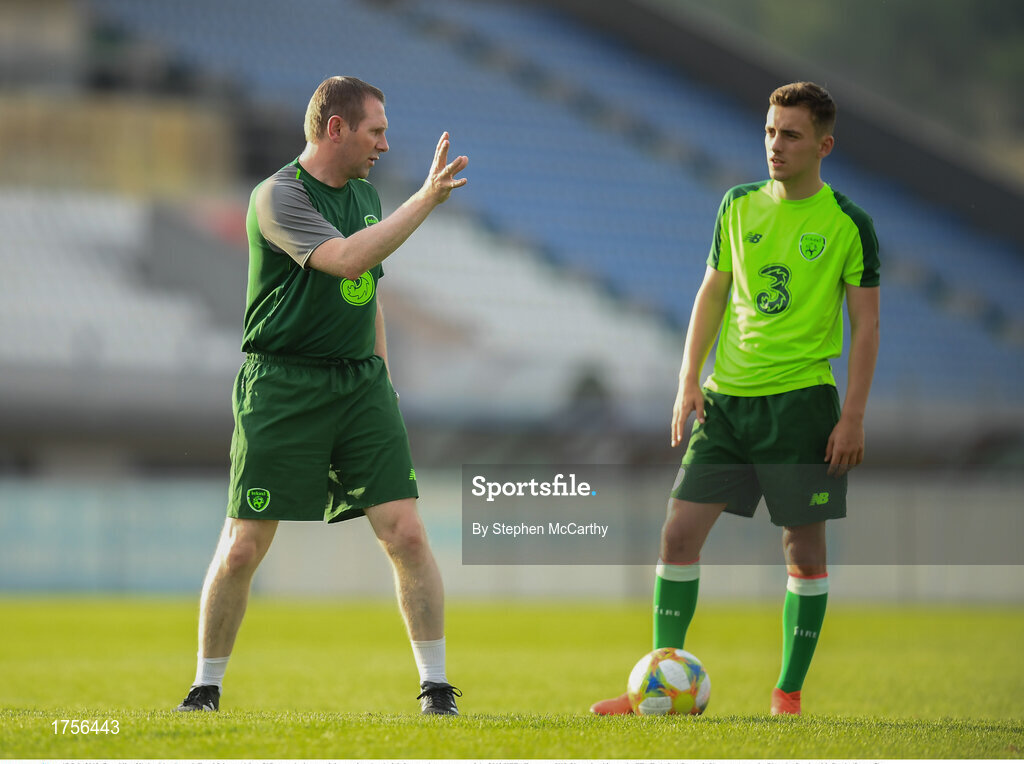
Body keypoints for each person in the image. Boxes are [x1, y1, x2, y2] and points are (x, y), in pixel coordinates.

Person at [175, 76, 468, 715]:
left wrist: (382, 376)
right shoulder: (277, 195)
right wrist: (423, 201)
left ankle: (436, 688)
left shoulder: (363, 194)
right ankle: (205, 689)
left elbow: (368, 295)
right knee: (245, 544)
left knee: (408, 534)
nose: (385, 144)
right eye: (376, 131)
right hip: (282, 384)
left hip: (360, 383)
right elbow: (345, 262)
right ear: (336, 129)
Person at [591, 81, 879, 716]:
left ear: (823, 145)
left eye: (792, 134)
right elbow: (712, 294)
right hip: (726, 403)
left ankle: (788, 694)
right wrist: (688, 378)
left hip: (802, 404)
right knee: (677, 538)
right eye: (771, 132)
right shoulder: (737, 204)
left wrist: (853, 416)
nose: (775, 145)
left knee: (803, 552)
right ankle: (658, 684)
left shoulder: (849, 224)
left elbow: (868, 328)